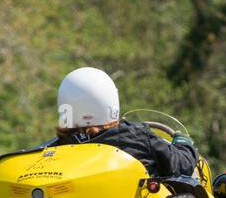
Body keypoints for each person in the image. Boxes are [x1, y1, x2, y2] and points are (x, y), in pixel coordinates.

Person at [54, 67, 199, 177]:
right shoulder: (136, 137)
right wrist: (184, 145)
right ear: (110, 102)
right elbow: (182, 165)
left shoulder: (54, 151)